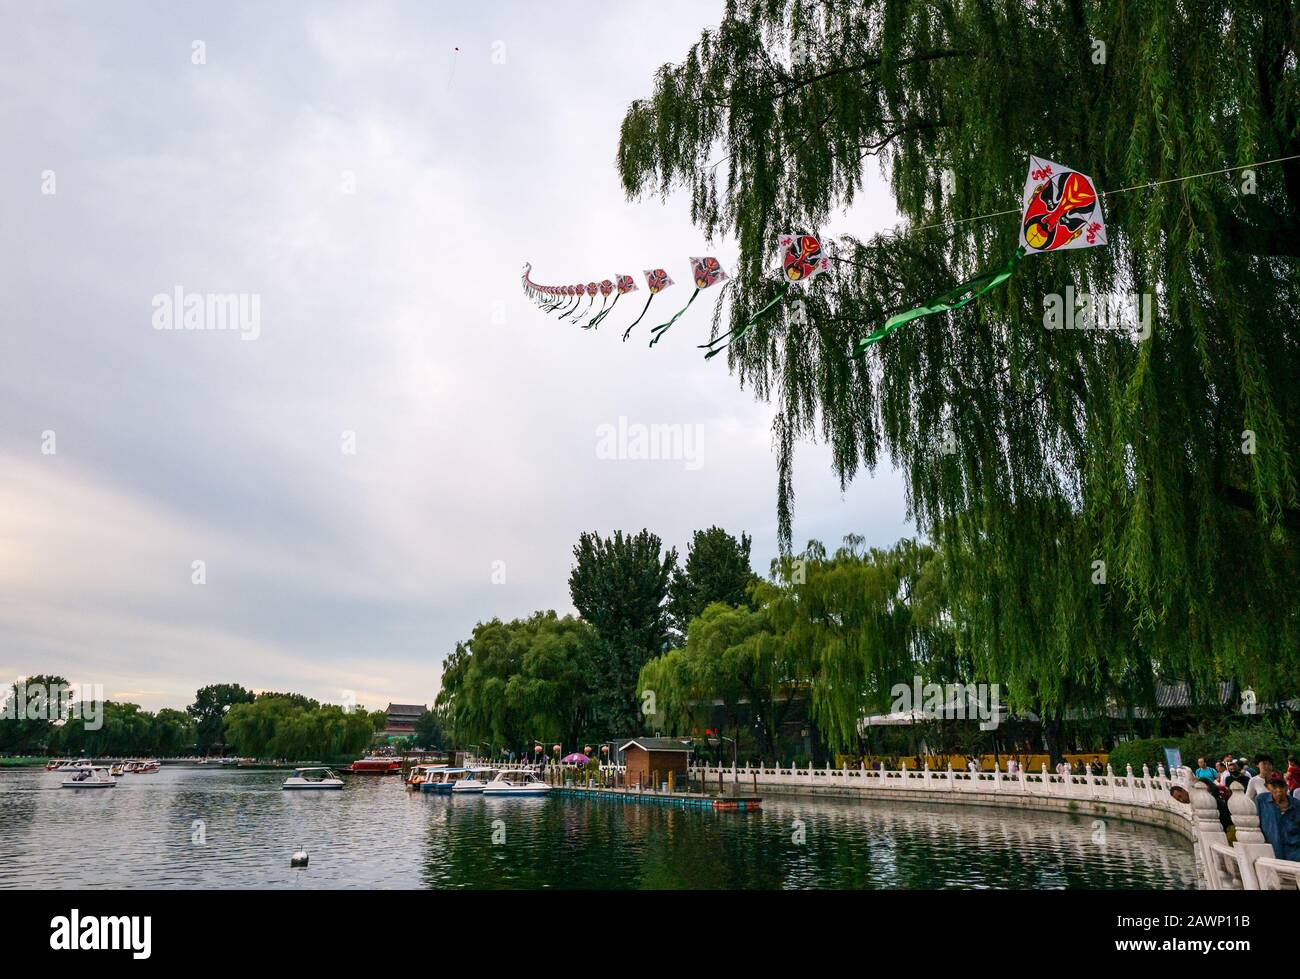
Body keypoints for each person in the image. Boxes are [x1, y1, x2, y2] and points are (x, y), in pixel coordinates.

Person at [1256, 774, 1300, 861]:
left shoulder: (1297, 804)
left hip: (1295, 852)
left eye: (1282, 786)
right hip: (1271, 851)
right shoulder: (1261, 800)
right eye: (1274, 786)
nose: (1279, 790)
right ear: (1268, 787)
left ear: (1287, 787)